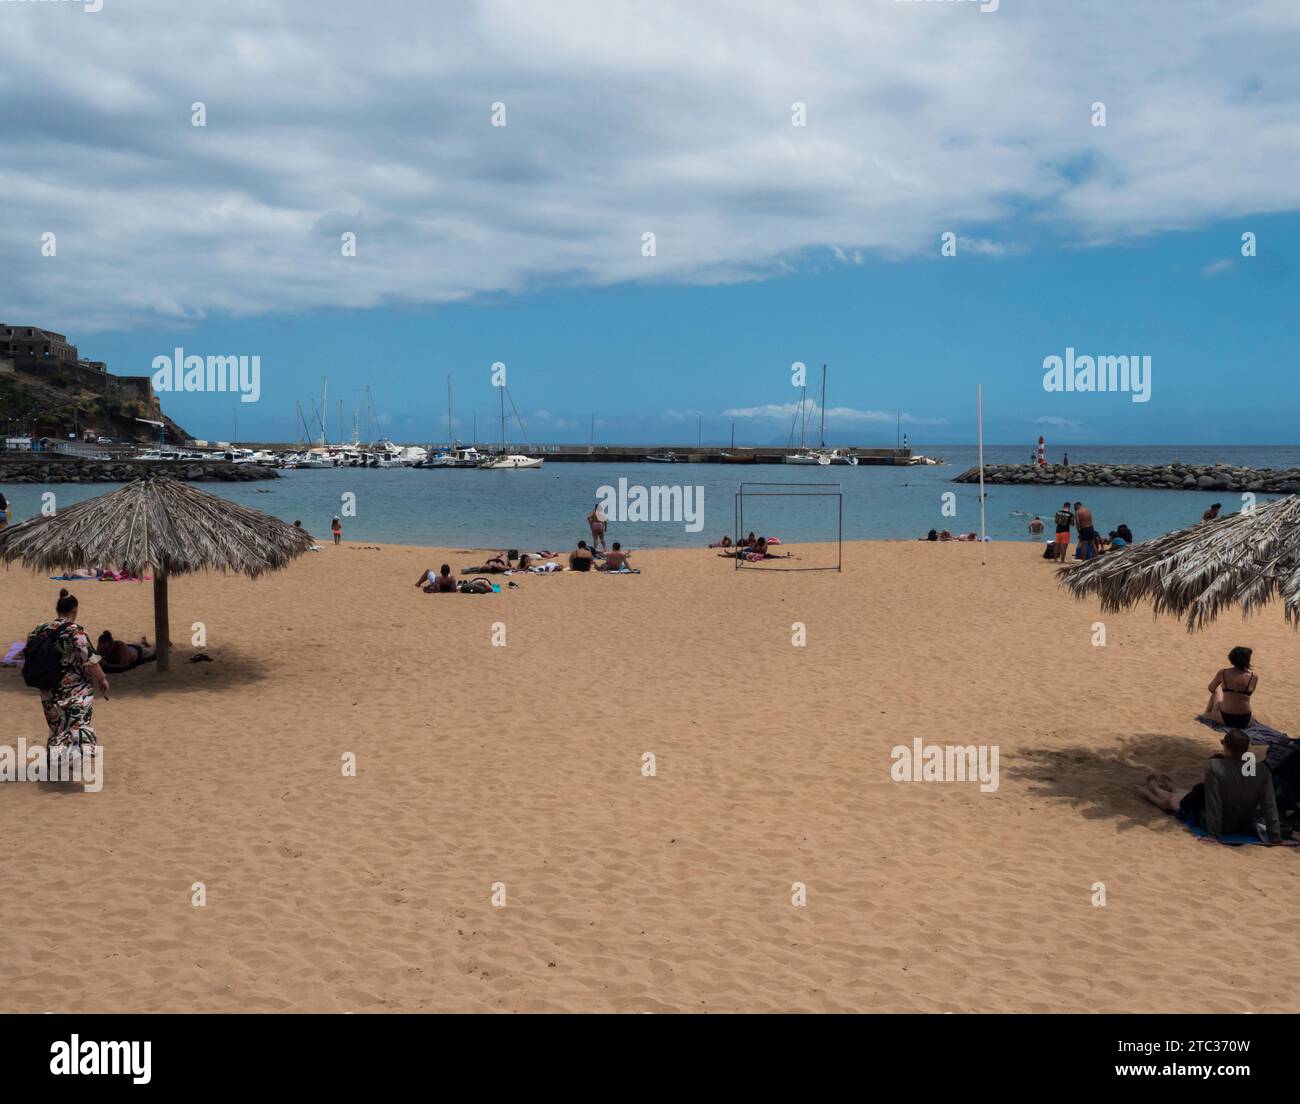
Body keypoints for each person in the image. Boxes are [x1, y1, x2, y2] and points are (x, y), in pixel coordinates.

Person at [1137, 729, 1281, 843]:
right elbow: (1269, 805)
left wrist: (1213, 834)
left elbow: (1213, 801)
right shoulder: (1261, 771)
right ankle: (1161, 788)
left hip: (1221, 825)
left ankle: (1151, 791)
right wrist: (1275, 836)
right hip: (1245, 823)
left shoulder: (1215, 766)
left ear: (1227, 748)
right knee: (1193, 795)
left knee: (1181, 801)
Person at [27, 589, 108, 762]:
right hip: (74, 689)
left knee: (56, 727)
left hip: (47, 686)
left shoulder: (39, 629)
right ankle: (75, 762)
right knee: (77, 724)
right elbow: (91, 658)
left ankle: (54, 765)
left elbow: (28, 652)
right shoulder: (75, 631)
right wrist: (102, 678)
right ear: (74, 611)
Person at [1205, 646, 1257, 729]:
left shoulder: (1223, 672)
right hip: (1246, 720)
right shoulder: (1253, 677)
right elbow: (1249, 694)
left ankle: (1206, 714)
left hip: (1225, 717)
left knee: (1217, 690)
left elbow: (1211, 688)